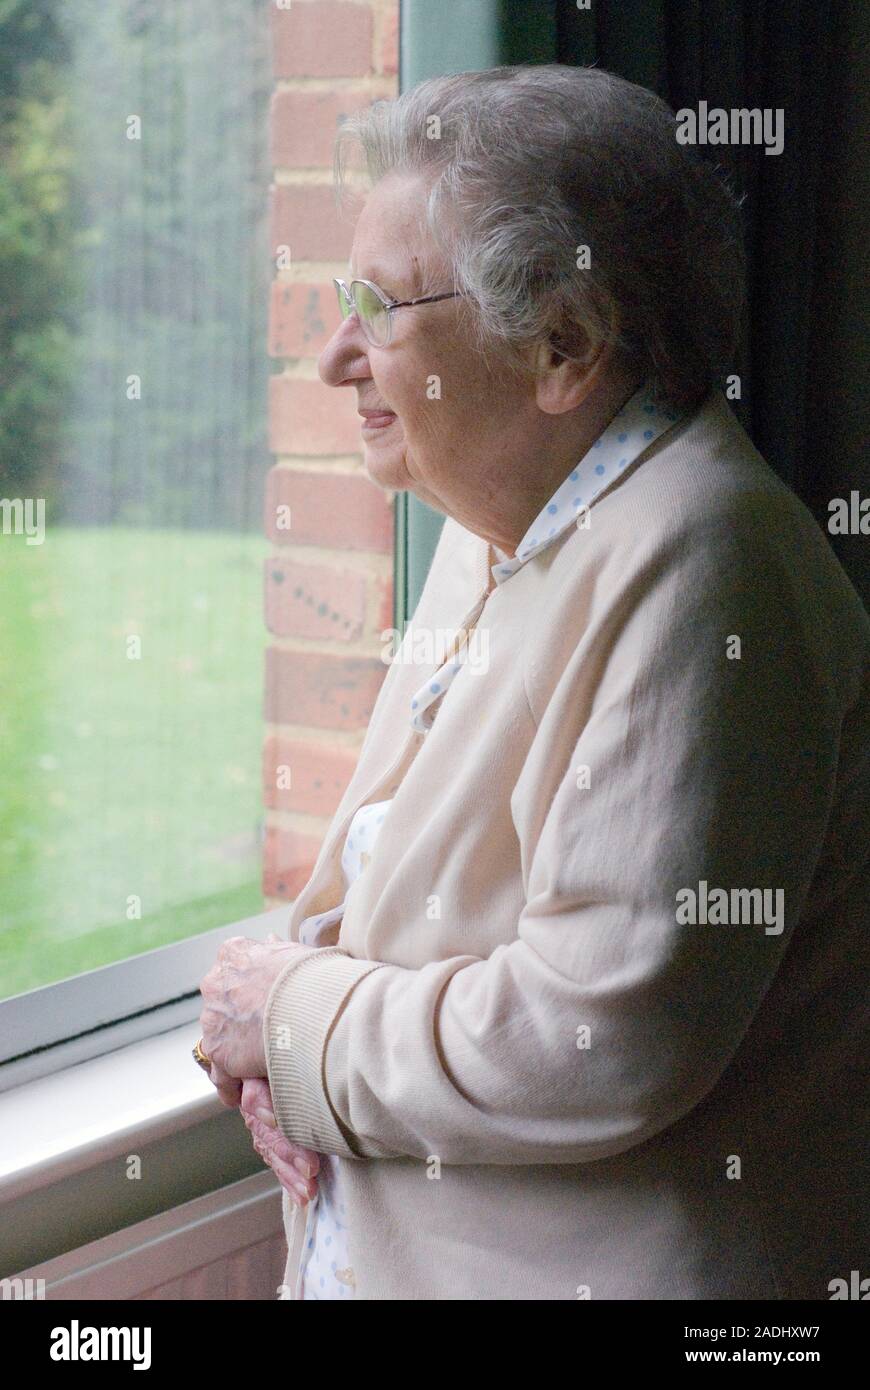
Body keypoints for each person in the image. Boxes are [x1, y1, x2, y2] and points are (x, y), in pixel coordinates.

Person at [197, 64, 870, 1301]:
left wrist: (297, 1031)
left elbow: (602, 1033)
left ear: (563, 345)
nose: (337, 353)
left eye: (381, 307)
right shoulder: (503, 518)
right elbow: (400, 890)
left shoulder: (711, 565)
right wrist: (282, 1056)